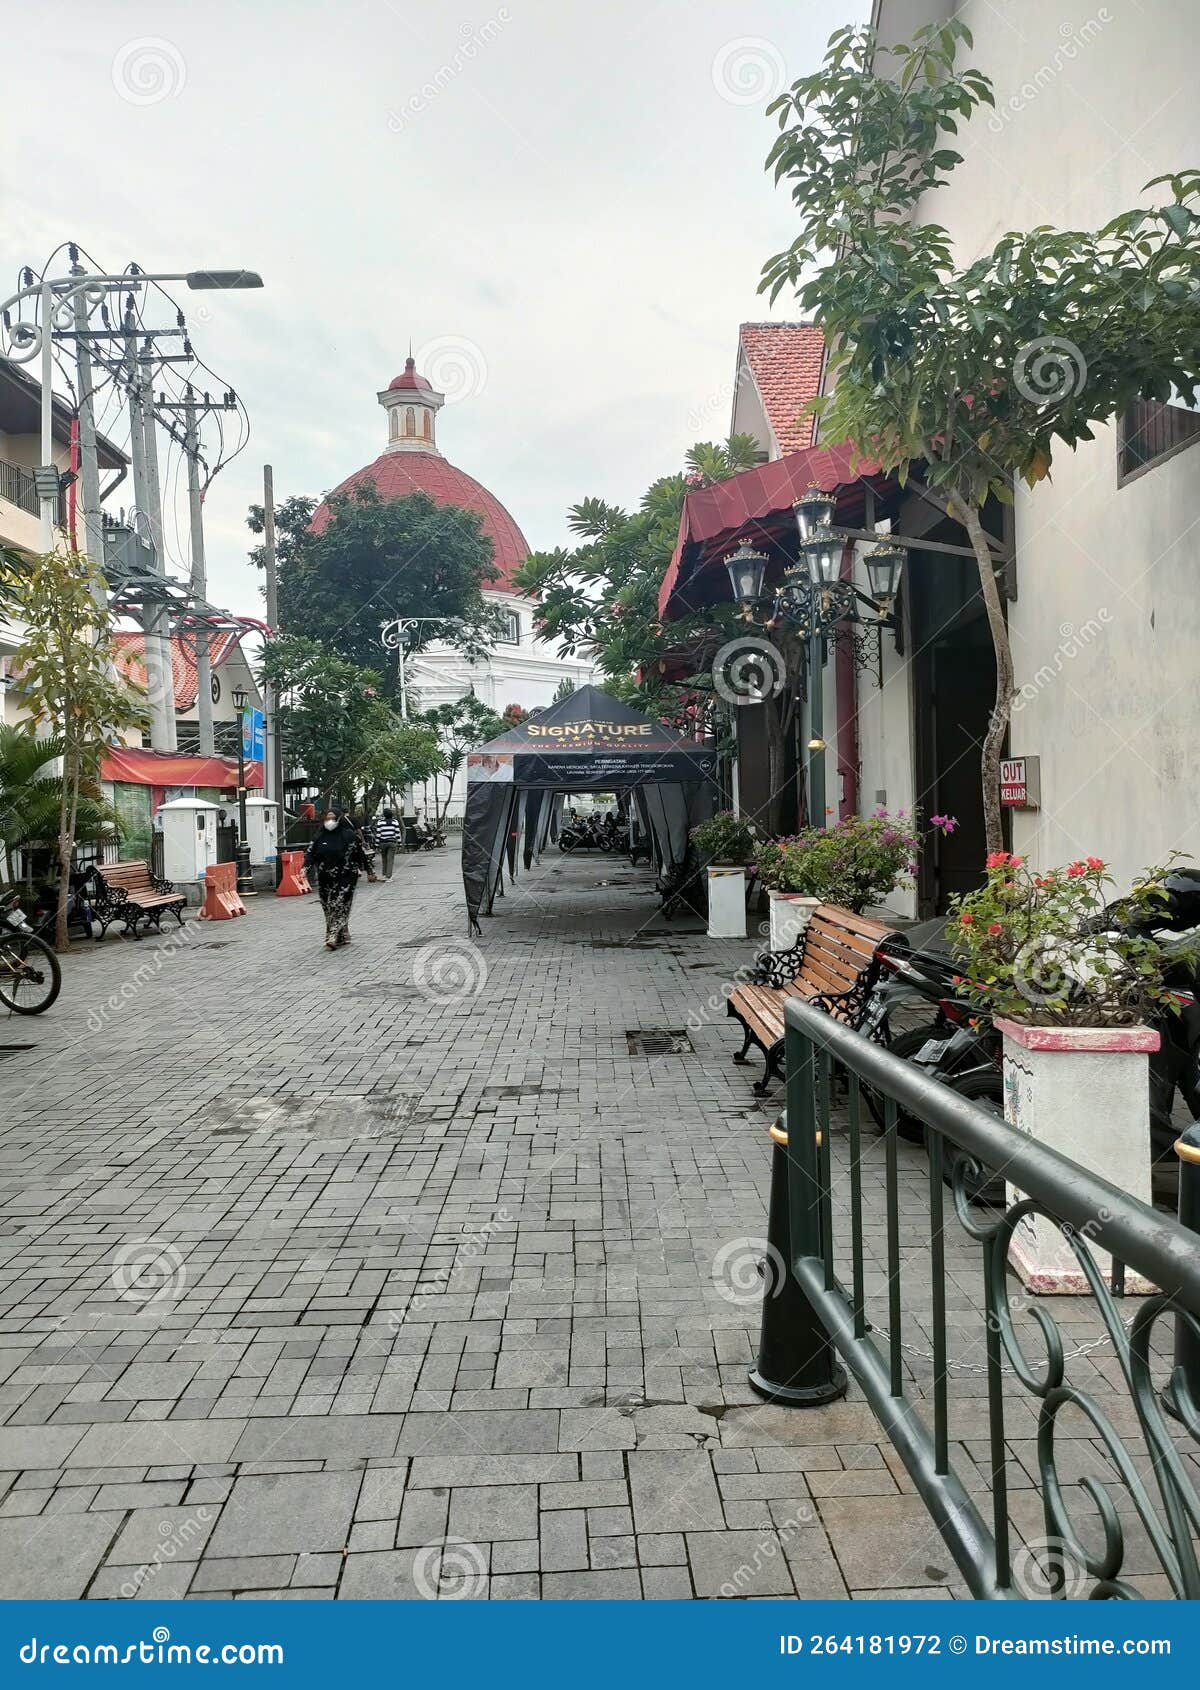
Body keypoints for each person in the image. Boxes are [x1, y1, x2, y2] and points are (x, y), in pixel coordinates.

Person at [304, 808, 368, 950]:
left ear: (339, 819)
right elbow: (310, 854)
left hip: (346, 876)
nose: (330, 821)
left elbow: (359, 854)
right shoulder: (319, 836)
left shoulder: (349, 835)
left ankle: (332, 936)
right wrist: (304, 869)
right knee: (328, 906)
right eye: (327, 818)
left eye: (333, 818)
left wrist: (369, 871)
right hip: (325, 877)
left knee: (338, 904)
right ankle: (340, 932)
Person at [374, 807, 402, 879]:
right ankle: (388, 876)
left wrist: (376, 845)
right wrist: (399, 843)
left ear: (384, 815)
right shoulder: (395, 822)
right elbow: (397, 833)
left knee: (384, 859)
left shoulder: (380, 822)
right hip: (392, 842)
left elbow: (378, 834)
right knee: (390, 859)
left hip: (383, 843)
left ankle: (384, 874)